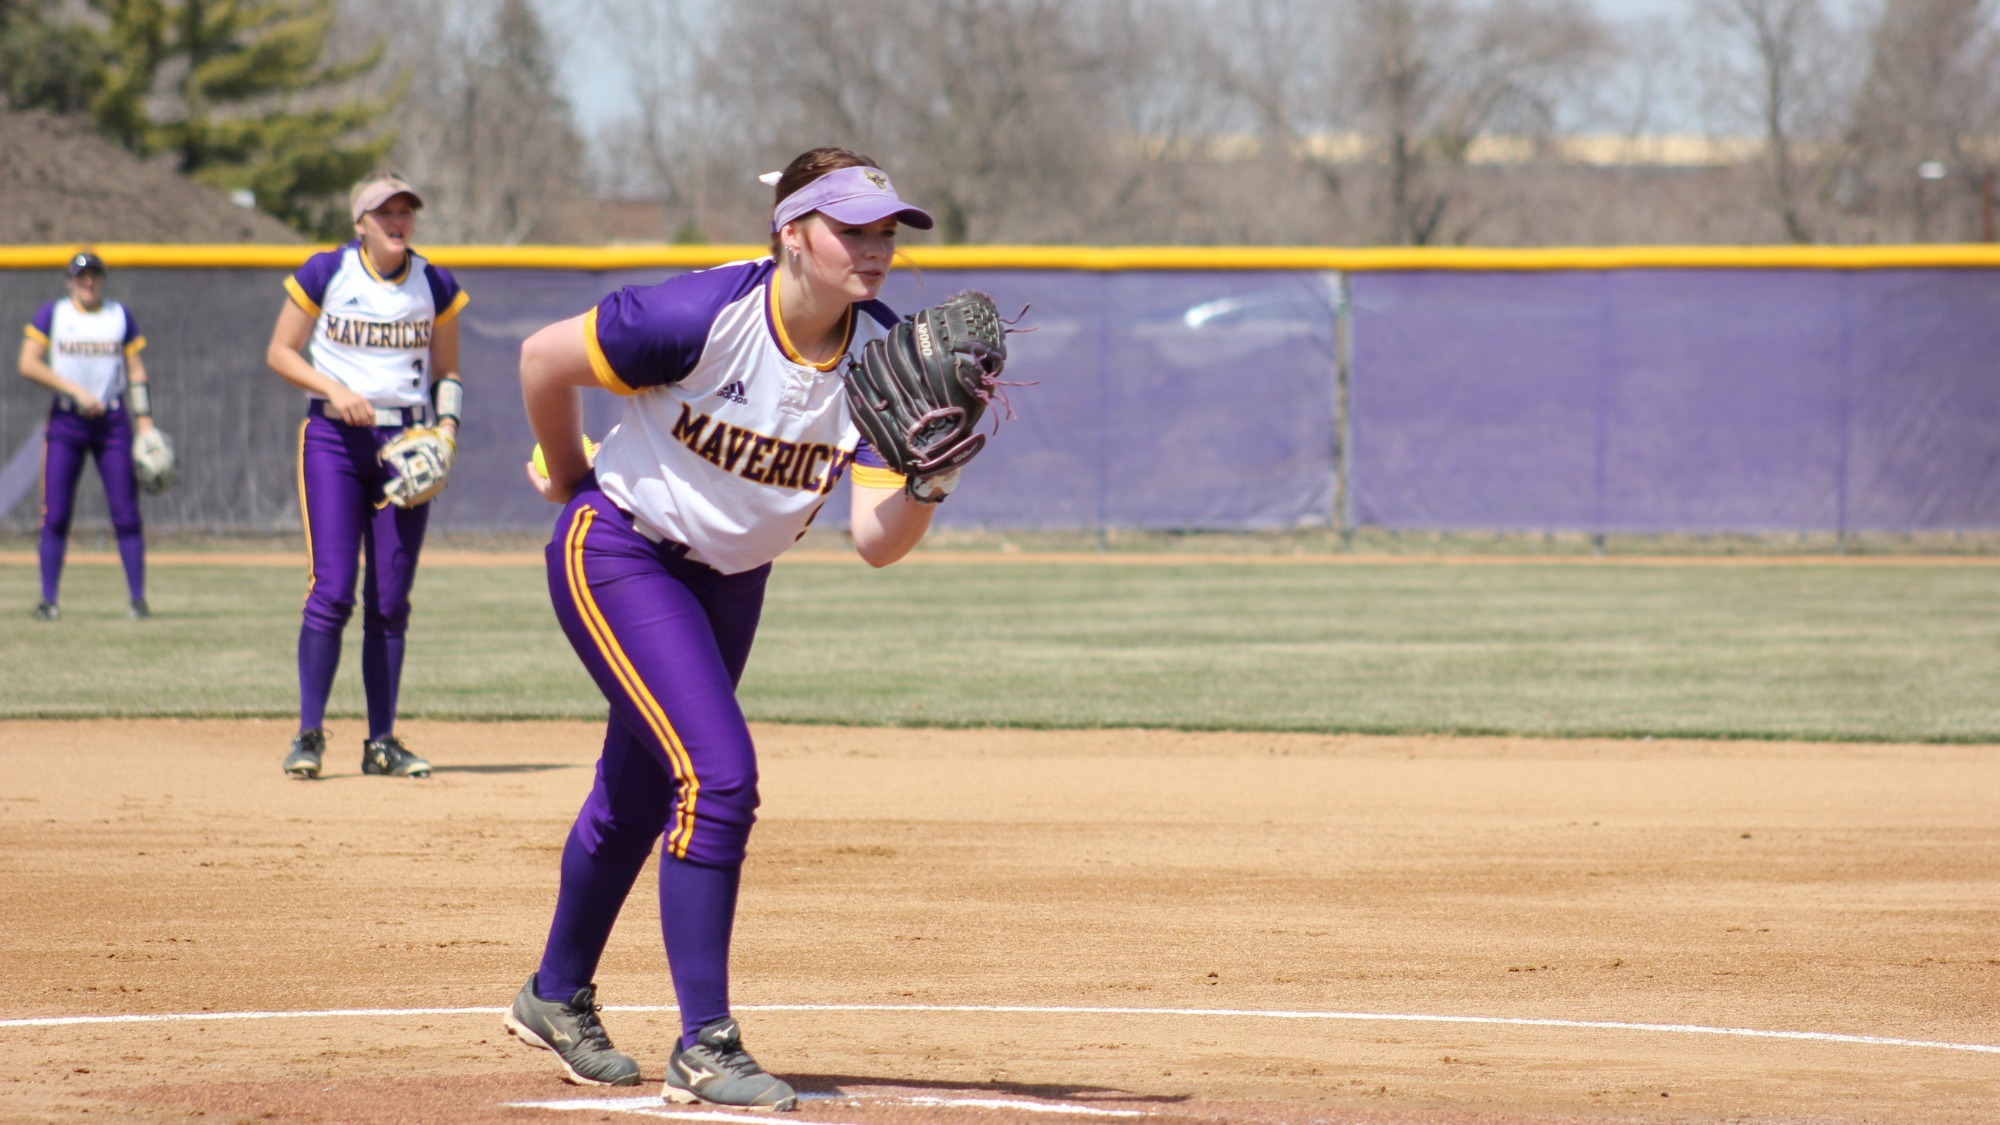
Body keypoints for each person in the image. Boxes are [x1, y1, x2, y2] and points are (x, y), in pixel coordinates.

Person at [504, 148, 952, 1111]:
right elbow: (542, 358)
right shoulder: (700, 315)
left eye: (886, 231)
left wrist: (930, 479)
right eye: (852, 229)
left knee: (637, 795)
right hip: (621, 551)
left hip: (732, 586)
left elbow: (877, 542)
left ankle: (553, 993)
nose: (875, 248)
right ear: (791, 232)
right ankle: (705, 1045)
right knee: (718, 777)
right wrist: (569, 474)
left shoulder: (883, 359)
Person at [265, 172, 467, 781]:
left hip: (406, 445)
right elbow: (280, 352)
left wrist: (447, 430)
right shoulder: (327, 272)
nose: (397, 220)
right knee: (332, 591)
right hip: (334, 440)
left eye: (405, 210)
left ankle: (381, 742)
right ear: (361, 224)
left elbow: (448, 372)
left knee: (390, 599)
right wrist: (334, 388)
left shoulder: (434, 282)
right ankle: (308, 734)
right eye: (384, 212)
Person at [18, 251, 156, 621]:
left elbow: (136, 370)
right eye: (81, 276)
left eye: (94, 274)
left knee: (126, 513)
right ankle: (48, 601)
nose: (88, 281)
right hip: (67, 421)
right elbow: (28, 362)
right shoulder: (55, 314)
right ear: (70, 281)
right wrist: (74, 390)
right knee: (56, 514)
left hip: (112, 422)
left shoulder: (118, 315)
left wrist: (145, 423)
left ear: (102, 278)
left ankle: (137, 600)